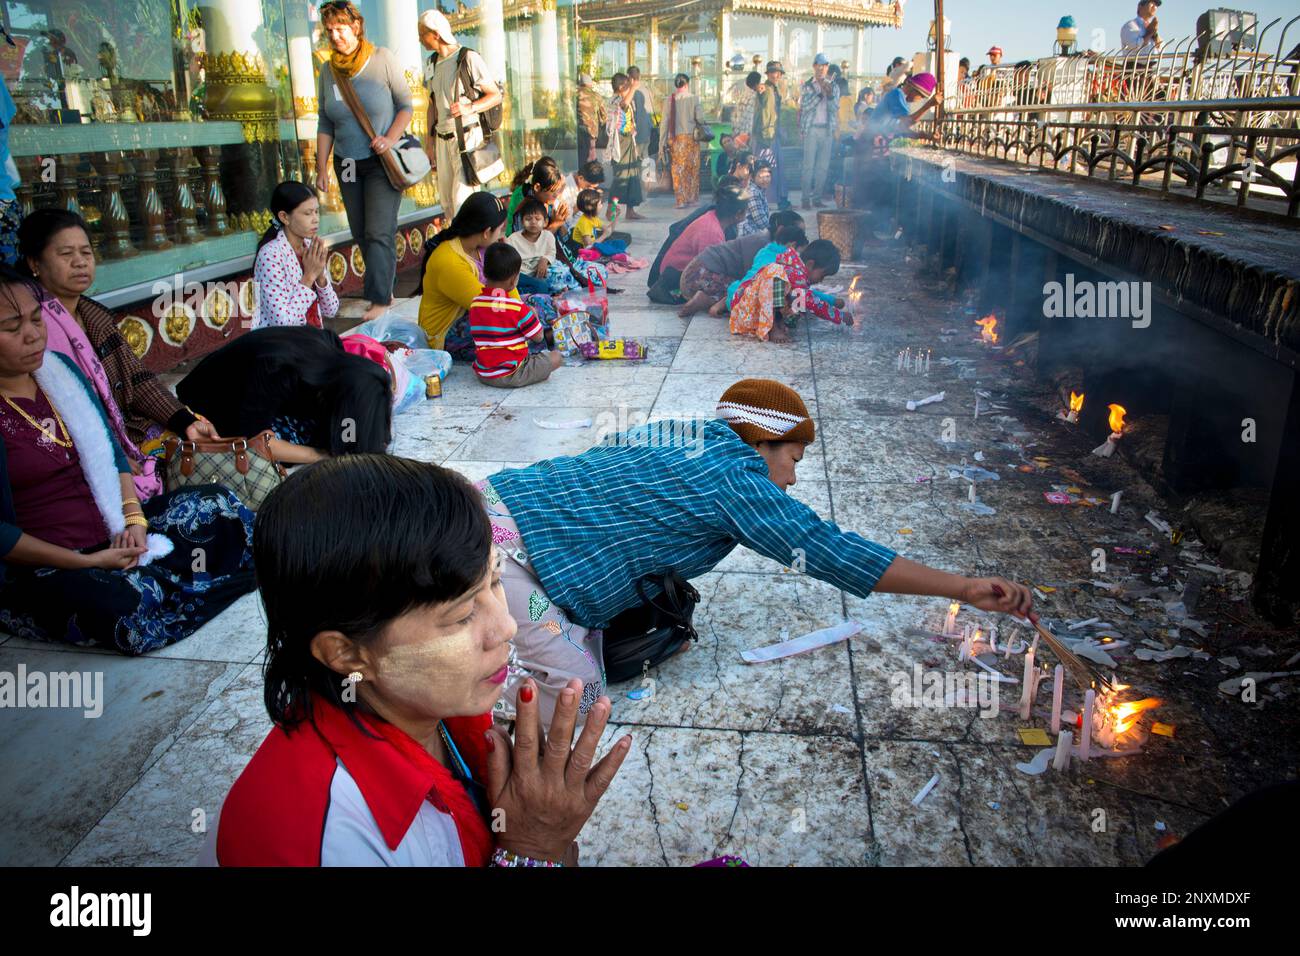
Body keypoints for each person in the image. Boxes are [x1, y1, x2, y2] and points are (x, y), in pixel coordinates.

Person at [481, 379, 1035, 722]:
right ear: (759, 443)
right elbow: (829, 549)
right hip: (504, 557)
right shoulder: (737, 478)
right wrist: (962, 589)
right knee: (577, 695)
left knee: (611, 627)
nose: (791, 479)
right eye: (792, 458)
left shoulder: (680, 428)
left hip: (488, 500)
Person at [207, 454, 632, 866]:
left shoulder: (438, 707)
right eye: (463, 615)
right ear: (347, 653)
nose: (506, 626)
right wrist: (533, 849)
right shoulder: (326, 839)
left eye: (496, 580)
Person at [0, 274, 256, 655]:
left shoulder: (58, 372)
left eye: (37, 319)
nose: (33, 335)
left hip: (115, 530)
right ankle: (174, 579)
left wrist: (134, 521)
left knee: (218, 504)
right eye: (12, 327)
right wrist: (83, 561)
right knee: (122, 609)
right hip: (51, 561)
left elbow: (110, 453)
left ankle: (161, 576)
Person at [19, 209, 219, 500]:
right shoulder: (35, 329)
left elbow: (138, 380)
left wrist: (182, 421)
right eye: (66, 254)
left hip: (128, 429)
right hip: (81, 448)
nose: (80, 262)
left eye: (86, 252)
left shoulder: (93, 315)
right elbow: (49, 412)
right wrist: (107, 456)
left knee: (199, 432)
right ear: (35, 263)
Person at [314, 1, 411, 323]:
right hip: (348, 163)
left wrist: (390, 138)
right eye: (329, 30)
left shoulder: (382, 59)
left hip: (380, 161)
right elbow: (325, 121)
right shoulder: (328, 70)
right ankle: (385, 285)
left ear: (355, 27)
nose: (335, 35)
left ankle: (380, 298)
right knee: (359, 230)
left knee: (379, 230)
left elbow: (406, 106)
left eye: (340, 28)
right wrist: (321, 167)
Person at [176, 326, 392, 465]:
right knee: (301, 443)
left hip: (256, 391)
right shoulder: (275, 371)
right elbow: (258, 443)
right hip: (206, 403)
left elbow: (351, 422)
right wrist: (324, 457)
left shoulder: (332, 348)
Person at [419, 9, 502, 219]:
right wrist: (429, 143)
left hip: (466, 138)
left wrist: (470, 107)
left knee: (462, 202)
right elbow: (432, 105)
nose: (420, 39)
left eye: (423, 34)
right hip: (442, 139)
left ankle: (468, 249)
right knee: (447, 202)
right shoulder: (431, 64)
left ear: (436, 34)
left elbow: (495, 95)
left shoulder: (468, 58)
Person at [417, 191, 511, 352]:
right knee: (509, 329)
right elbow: (489, 307)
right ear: (487, 232)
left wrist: (522, 307)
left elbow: (506, 285)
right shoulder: (450, 262)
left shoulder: (481, 247)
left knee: (536, 302)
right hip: (445, 336)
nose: (501, 234)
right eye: (500, 229)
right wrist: (523, 315)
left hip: (475, 312)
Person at [678, 208, 803, 318]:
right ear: (781, 230)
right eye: (799, 233)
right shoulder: (762, 243)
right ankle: (705, 300)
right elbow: (751, 279)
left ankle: (710, 298)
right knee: (745, 291)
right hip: (698, 275)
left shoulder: (769, 243)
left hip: (701, 274)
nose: (801, 237)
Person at [469, 244, 561, 389]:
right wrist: (533, 315)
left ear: (485, 274)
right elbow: (538, 337)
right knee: (556, 357)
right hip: (512, 374)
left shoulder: (475, 304)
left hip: (484, 374)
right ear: (513, 280)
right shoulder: (517, 307)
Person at [728, 238, 851, 343]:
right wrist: (839, 316)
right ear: (810, 264)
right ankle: (772, 328)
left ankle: (777, 322)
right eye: (823, 275)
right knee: (777, 277)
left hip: (747, 308)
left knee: (796, 298)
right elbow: (812, 302)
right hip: (745, 309)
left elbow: (800, 303)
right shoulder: (795, 273)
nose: (821, 280)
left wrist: (789, 319)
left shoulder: (794, 267)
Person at [252, 181, 338, 330]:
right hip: (283, 345)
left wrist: (320, 277)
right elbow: (283, 323)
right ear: (285, 217)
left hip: (312, 338)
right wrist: (309, 276)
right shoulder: (270, 255)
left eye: (316, 211)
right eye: (307, 213)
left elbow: (331, 310)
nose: (316, 219)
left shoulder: (310, 247)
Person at [646, 186, 748, 305]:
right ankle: (703, 299)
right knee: (734, 286)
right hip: (676, 277)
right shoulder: (711, 231)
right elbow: (712, 268)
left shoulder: (713, 217)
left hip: (681, 270)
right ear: (738, 214)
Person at [660, 73, 708, 209]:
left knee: (678, 169)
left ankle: (680, 200)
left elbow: (664, 123)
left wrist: (661, 143)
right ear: (687, 84)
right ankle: (692, 199)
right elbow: (700, 118)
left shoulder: (669, 100)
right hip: (692, 139)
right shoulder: (694, 98)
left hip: (676, 140)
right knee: (692, 168)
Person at [799, 53, 839, 210]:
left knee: (823, 167)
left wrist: (829, 96)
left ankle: (816, 198)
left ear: (827, 67)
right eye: (819, 65)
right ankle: (805, 199)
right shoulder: (807, 85)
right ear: (814, 66)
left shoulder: (834, 86)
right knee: (808, 167)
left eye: (825, 65)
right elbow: (805, 106)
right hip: (811, 130)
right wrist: (820, 94)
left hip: (827, 129)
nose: (822, 68)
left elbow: (835, 108)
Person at [606, 73, 645, 221]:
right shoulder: (614, 100)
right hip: (619, 143)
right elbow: (623, 105)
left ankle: (631, 210)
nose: (630, 91)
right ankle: (612, 209)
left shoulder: (624, 99)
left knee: (633, 176)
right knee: (620, 178)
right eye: (627, 88)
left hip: (628, 141)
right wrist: (634, 88)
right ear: (622, 87)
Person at [506, 198, 558, 296]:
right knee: (540, 285)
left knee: (560, 274)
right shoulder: (513, 240)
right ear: (522, 222)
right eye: (528, 219)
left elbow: (552, 253)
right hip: (521, 276)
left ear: (545, 222)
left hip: (540, 273)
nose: (533, 222)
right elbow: (509, 265)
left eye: (537, 219)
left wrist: (545, 259)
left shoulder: (548, 236)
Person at [504, 157, 568, 238]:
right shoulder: (526, 207)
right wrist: (555, 224)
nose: (557, 196)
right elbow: (533, 244)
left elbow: (563, 234)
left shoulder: (544, 199)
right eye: (553, 192)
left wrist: (560, 222)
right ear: (537, 187)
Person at [626, 66, 657, 177]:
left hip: (638, 131)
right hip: (648, 128)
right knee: (647, 156)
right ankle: (649, 183)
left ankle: (638, 185)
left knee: (636, 159)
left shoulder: (632, 91)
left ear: (630, 78)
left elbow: (633, 112)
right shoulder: (647, 89)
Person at [558, 159, 605, 232]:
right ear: (580, 178)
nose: (591, 190)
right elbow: (566, 221)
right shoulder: (565, 189)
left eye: (594, 187)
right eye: (588, 186)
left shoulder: (582, 185)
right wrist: (581, 205)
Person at [736, 155, 772, 238]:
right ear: (752, 176)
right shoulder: (753, 192)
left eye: (767, 176)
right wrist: (773, 231)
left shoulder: (759, 190)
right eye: (761, 176)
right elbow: (761, 221)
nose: (765, 180)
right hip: (749, 234)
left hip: (754, 232)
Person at [575, 72, 607, 164]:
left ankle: (582, 170)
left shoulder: (575, 95)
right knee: (591, 153)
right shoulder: (596, 96)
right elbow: (604, 115)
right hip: (591, 131)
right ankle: (591, 170)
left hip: (577, 130)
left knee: (580, 155)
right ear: (590, 83)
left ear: (580, 83)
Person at [732, 71, 762, 151]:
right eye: (760, 82)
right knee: (746, 158)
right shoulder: (754, 96)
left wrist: (735, 132)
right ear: (756, 84)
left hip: (737, 131)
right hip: (746, 132)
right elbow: (747, 116)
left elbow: (735, 114)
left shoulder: (743, 95)